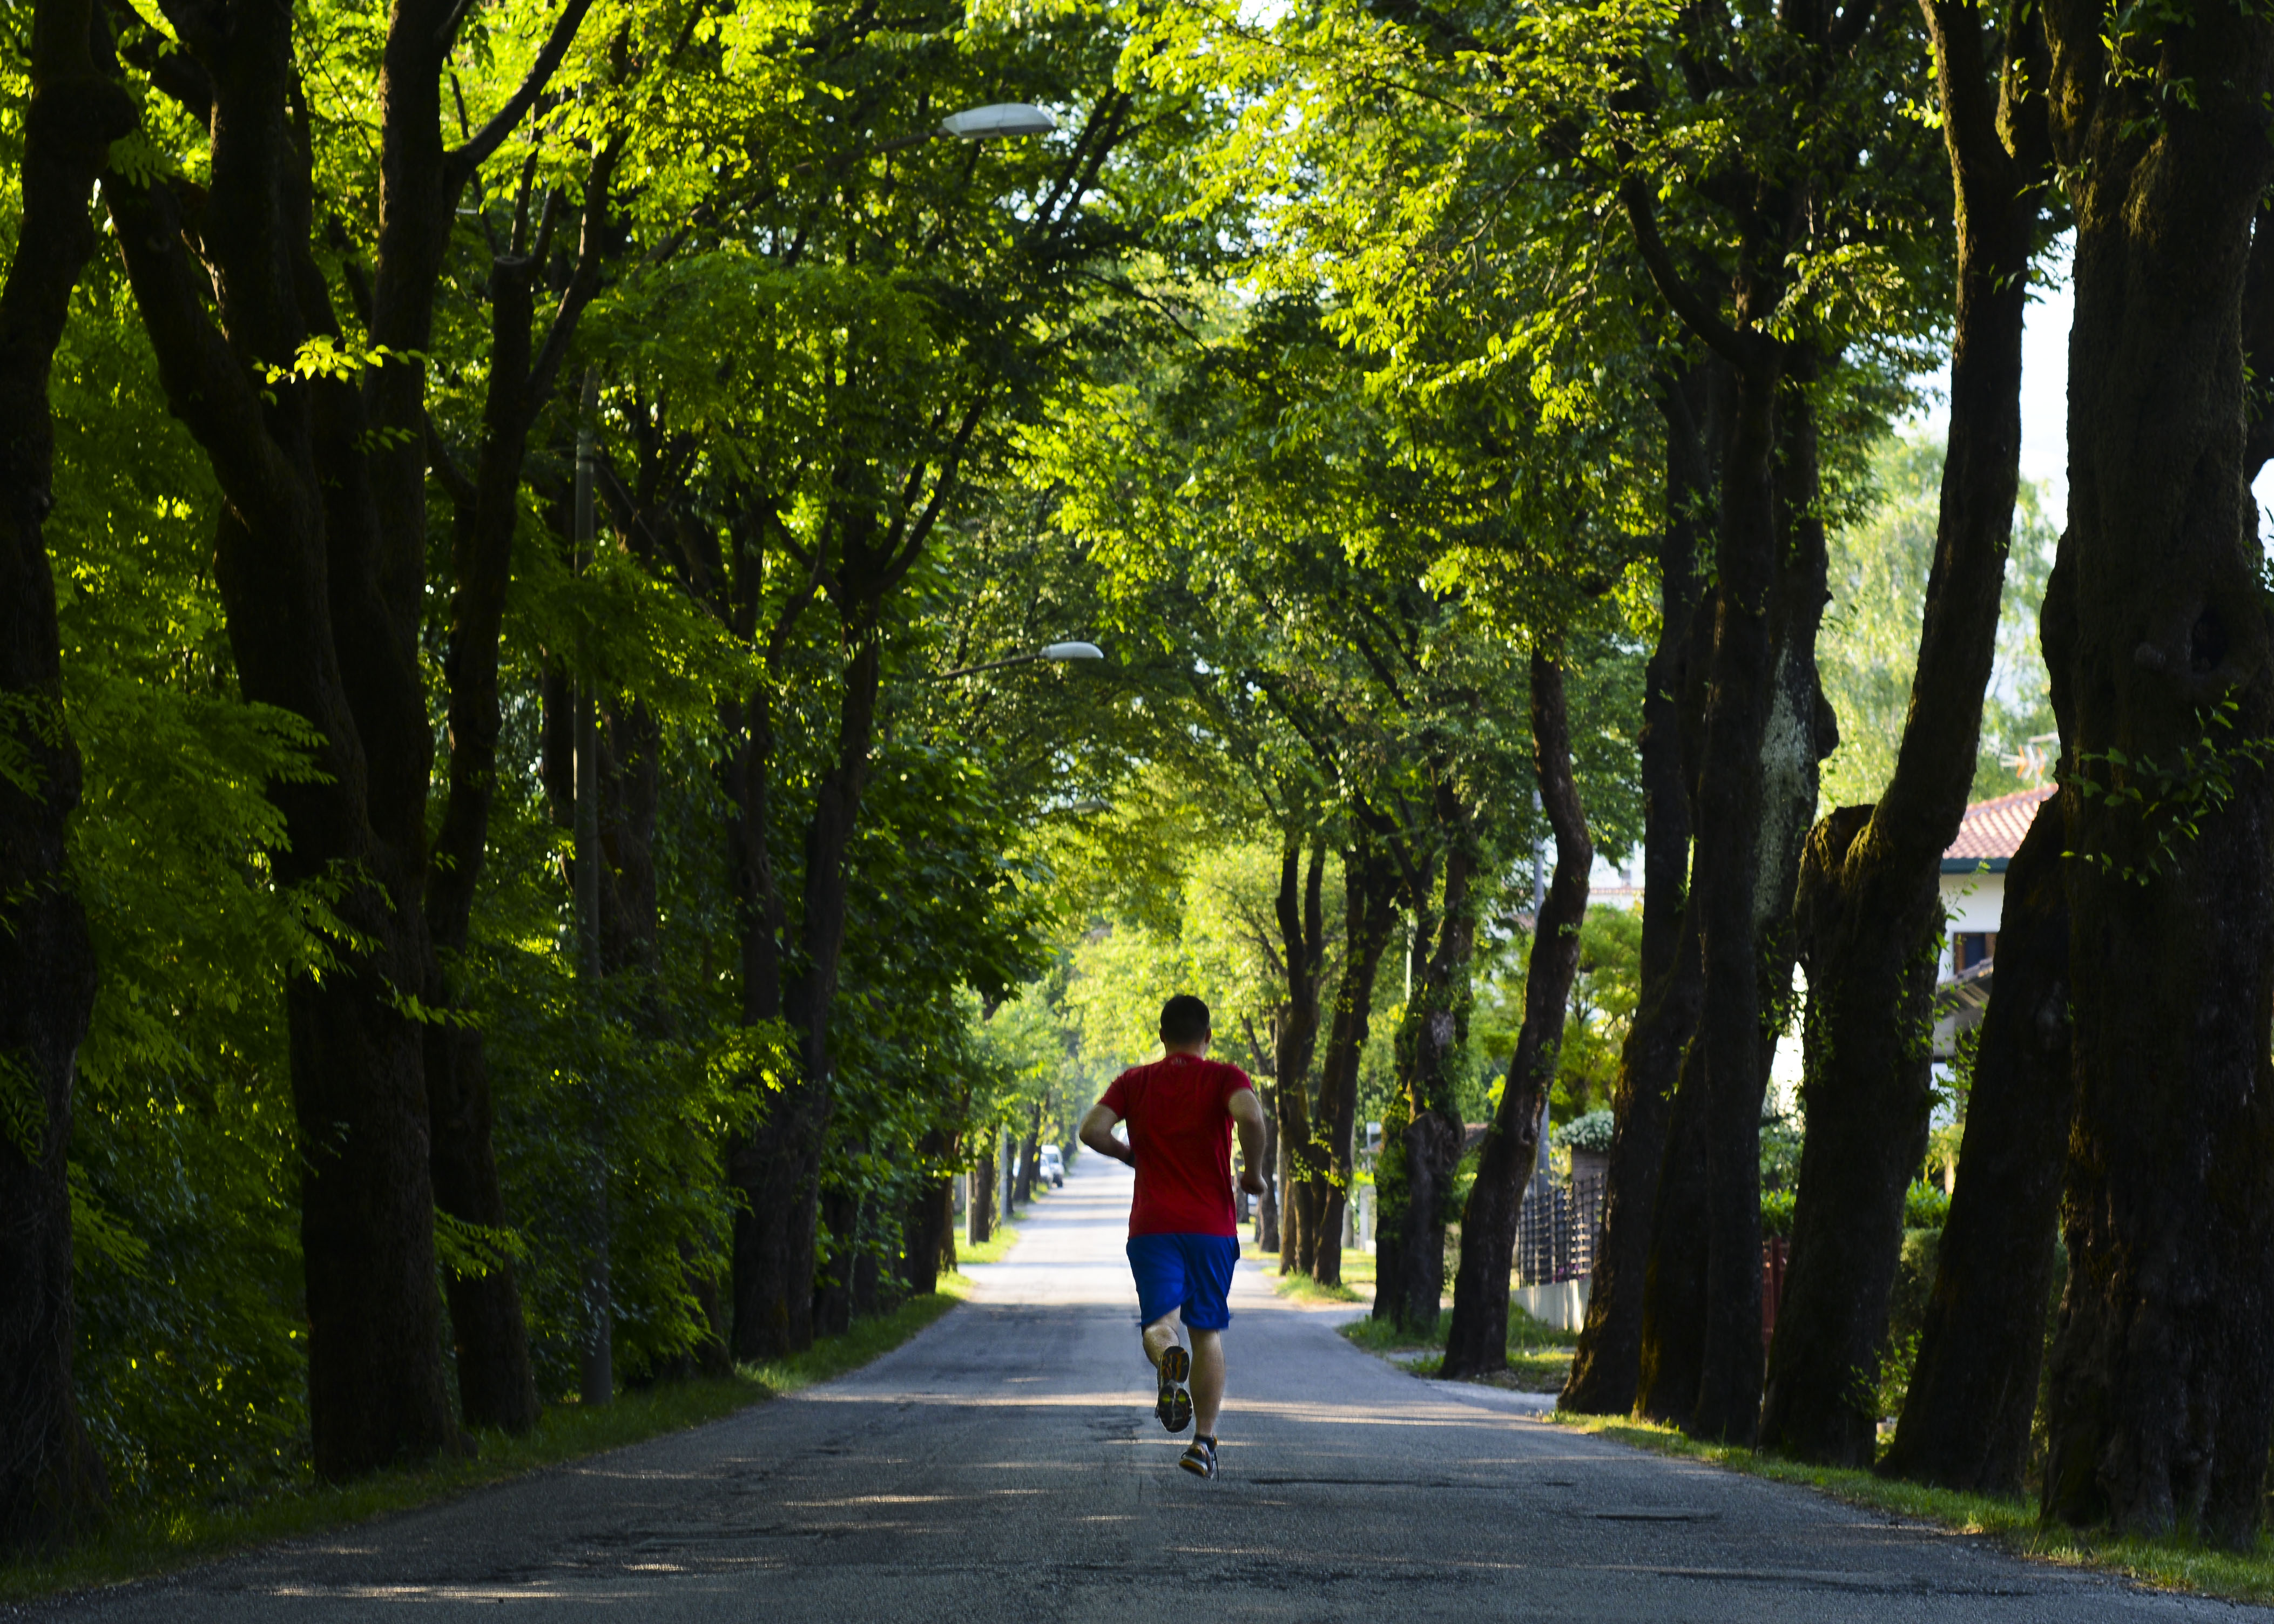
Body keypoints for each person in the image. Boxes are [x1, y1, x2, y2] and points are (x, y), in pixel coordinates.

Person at [1078, 993, 1267, 1480]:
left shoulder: (1134, 1081)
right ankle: (1203, 1443)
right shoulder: (1225, 1076)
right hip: (1210, 1228)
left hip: (1153, 1226)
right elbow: (1250, 1115)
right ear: (1207, 1036)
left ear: (1161, 1036)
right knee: (1206, 1332)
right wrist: (1253, 1174)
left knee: (1159, 1324)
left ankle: (1168, 1358)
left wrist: (1127, 1154)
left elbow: (1091, 1129)